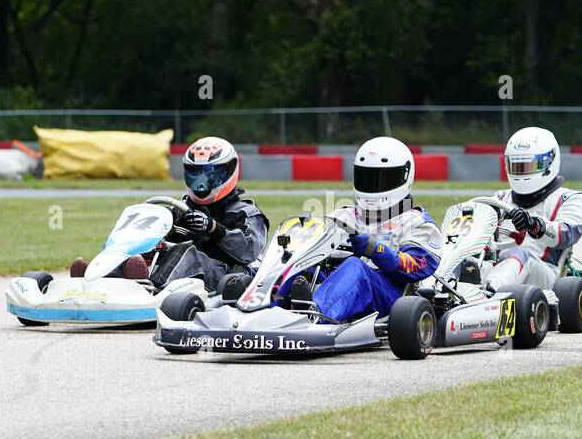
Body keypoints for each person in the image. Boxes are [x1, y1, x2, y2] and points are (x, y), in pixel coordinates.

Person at [71, 136, 268, 289]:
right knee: (141, 249)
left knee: (187, 252)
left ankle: (150, 288)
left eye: (209, 177)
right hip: (184, 273)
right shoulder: (182, 207)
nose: (201, 184)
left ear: (228, 173)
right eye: (195, 175)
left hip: (226, 277)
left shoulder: (246, 212)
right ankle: (99, 282)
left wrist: (213, 227)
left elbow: (248, 253)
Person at [307, 137, 444, 321]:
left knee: (355, 267)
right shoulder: (341, 216)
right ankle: (267, 310)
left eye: (383, 179)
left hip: (389, 297)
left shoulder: (415, 221)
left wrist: (376, 250)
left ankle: (315, 318)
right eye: (367, 177)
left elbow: (420, 265)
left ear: (405, 177)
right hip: (332, 284)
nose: (373, 186)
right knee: (297, 268)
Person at [484, 126, 582, 289]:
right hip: (497, 270)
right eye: (517, 167)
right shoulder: (499, 198)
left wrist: (534, 225)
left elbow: (566, 234)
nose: (521, 173)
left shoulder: (571, 199)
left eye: (528, 166)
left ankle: (488, 294)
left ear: (549, 161)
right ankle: (440, 290)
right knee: (466, 259)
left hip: (545, 278)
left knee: (519, 254)